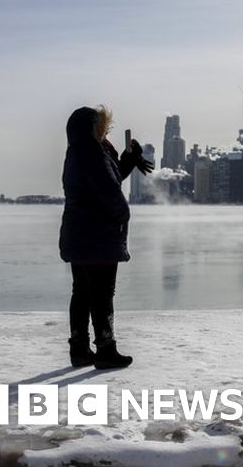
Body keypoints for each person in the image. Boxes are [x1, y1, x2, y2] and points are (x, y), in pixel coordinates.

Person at [59, 106, 153, 369]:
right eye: (102, 125)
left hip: (78, 233)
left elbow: (103, 179)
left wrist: (127, 161)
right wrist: (123, 216)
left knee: (82, 292)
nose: (106, 129)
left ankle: (79, 349)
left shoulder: (77, 151)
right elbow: (109, 189)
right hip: (97, 234)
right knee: (102, 293)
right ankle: (105, 350)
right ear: (94, 127)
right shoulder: (93, 153)